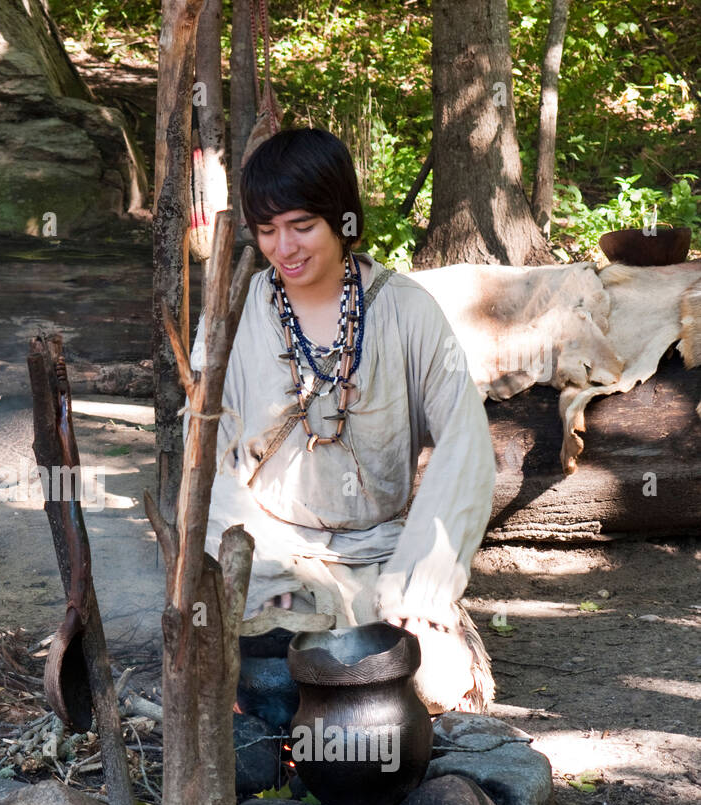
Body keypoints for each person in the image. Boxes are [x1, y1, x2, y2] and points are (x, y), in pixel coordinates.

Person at [188, 127, 496, 715]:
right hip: (267, 544)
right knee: (267, 681)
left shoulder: (406, 309)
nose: (285, 248)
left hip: (381, 552)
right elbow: (208, 453)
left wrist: (423, 580)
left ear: (343, 220)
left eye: (302, 225)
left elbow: (464, 442)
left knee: (435, 686)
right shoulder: (234, 312)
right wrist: (264, 572)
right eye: (268, 230)